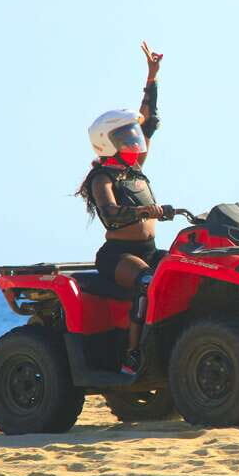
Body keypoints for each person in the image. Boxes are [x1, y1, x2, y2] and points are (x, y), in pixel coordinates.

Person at [76, 41, 166, 375]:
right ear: (107, 142)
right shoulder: (101, 178)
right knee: (146, 283)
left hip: (150, 248)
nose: (133, 140)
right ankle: (132, 356)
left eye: (132, 135)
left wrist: (152, 76)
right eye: (125, 136)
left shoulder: (136, 169)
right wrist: (146, 212)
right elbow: (112, 216)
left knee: (189, 269)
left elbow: (150, 120)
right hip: (118, 256)